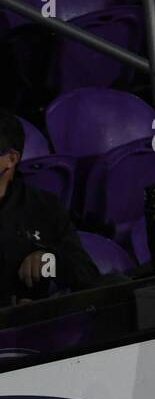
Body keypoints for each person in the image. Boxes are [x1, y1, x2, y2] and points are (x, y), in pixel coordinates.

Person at [0, 111, 101, 307]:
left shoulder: (43, 206)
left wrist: (50, 260)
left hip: (34, 326)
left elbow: (87, 272)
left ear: (11, 159)